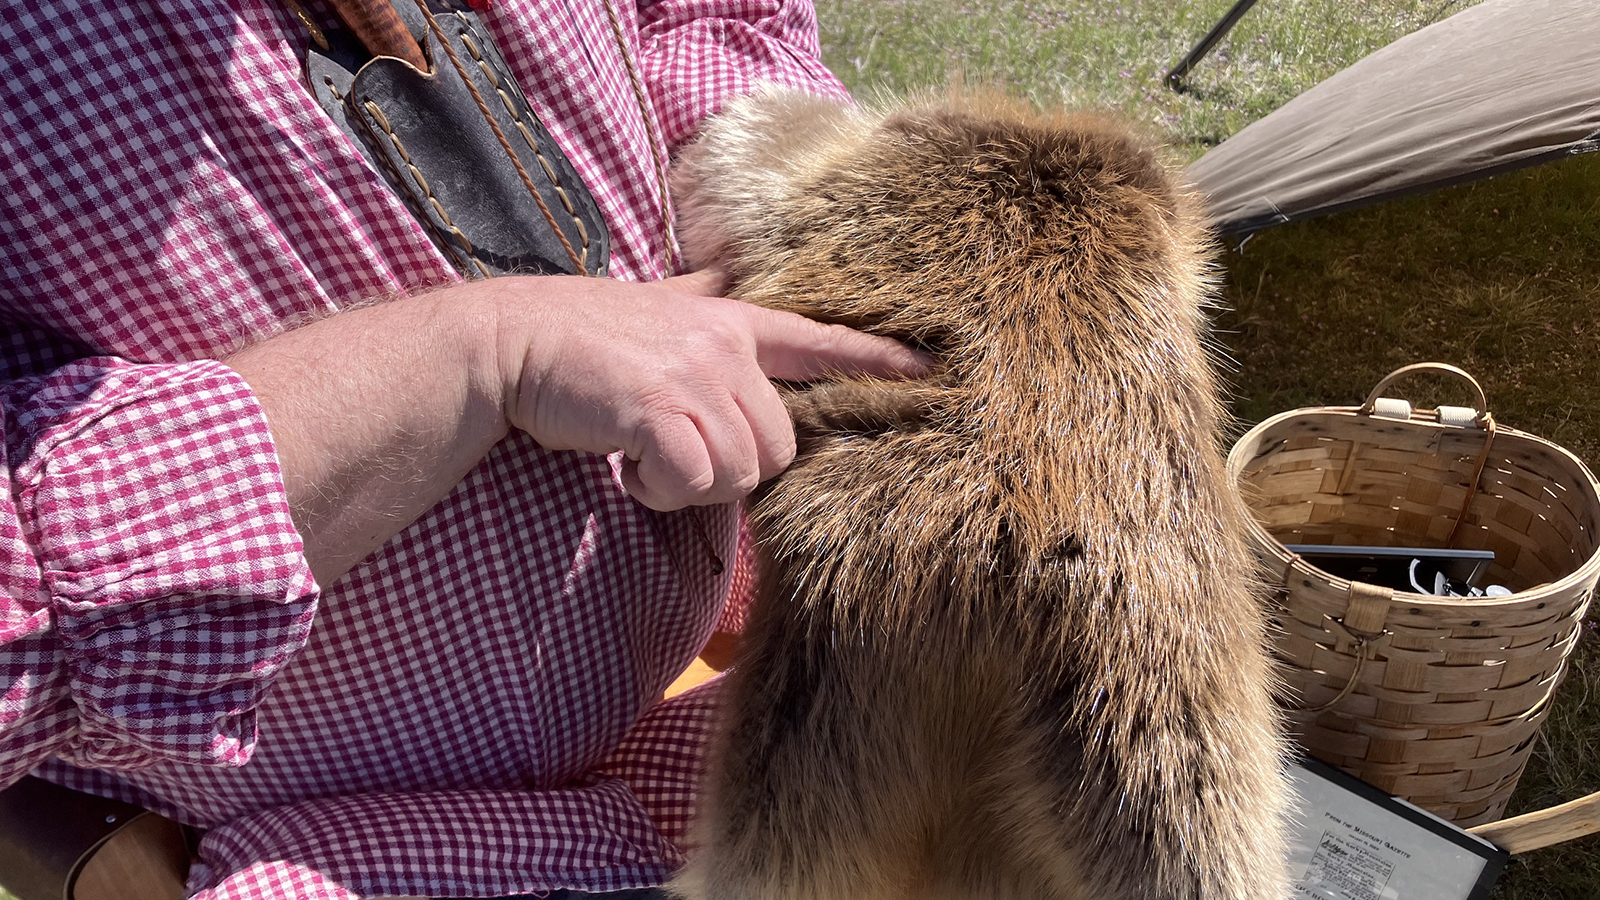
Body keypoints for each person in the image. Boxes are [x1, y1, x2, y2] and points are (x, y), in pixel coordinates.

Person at [0, 1, 922, 897]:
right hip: (317, 842)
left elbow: (706, 18)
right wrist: (476, 358)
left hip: (696, 714)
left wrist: (774, 201)